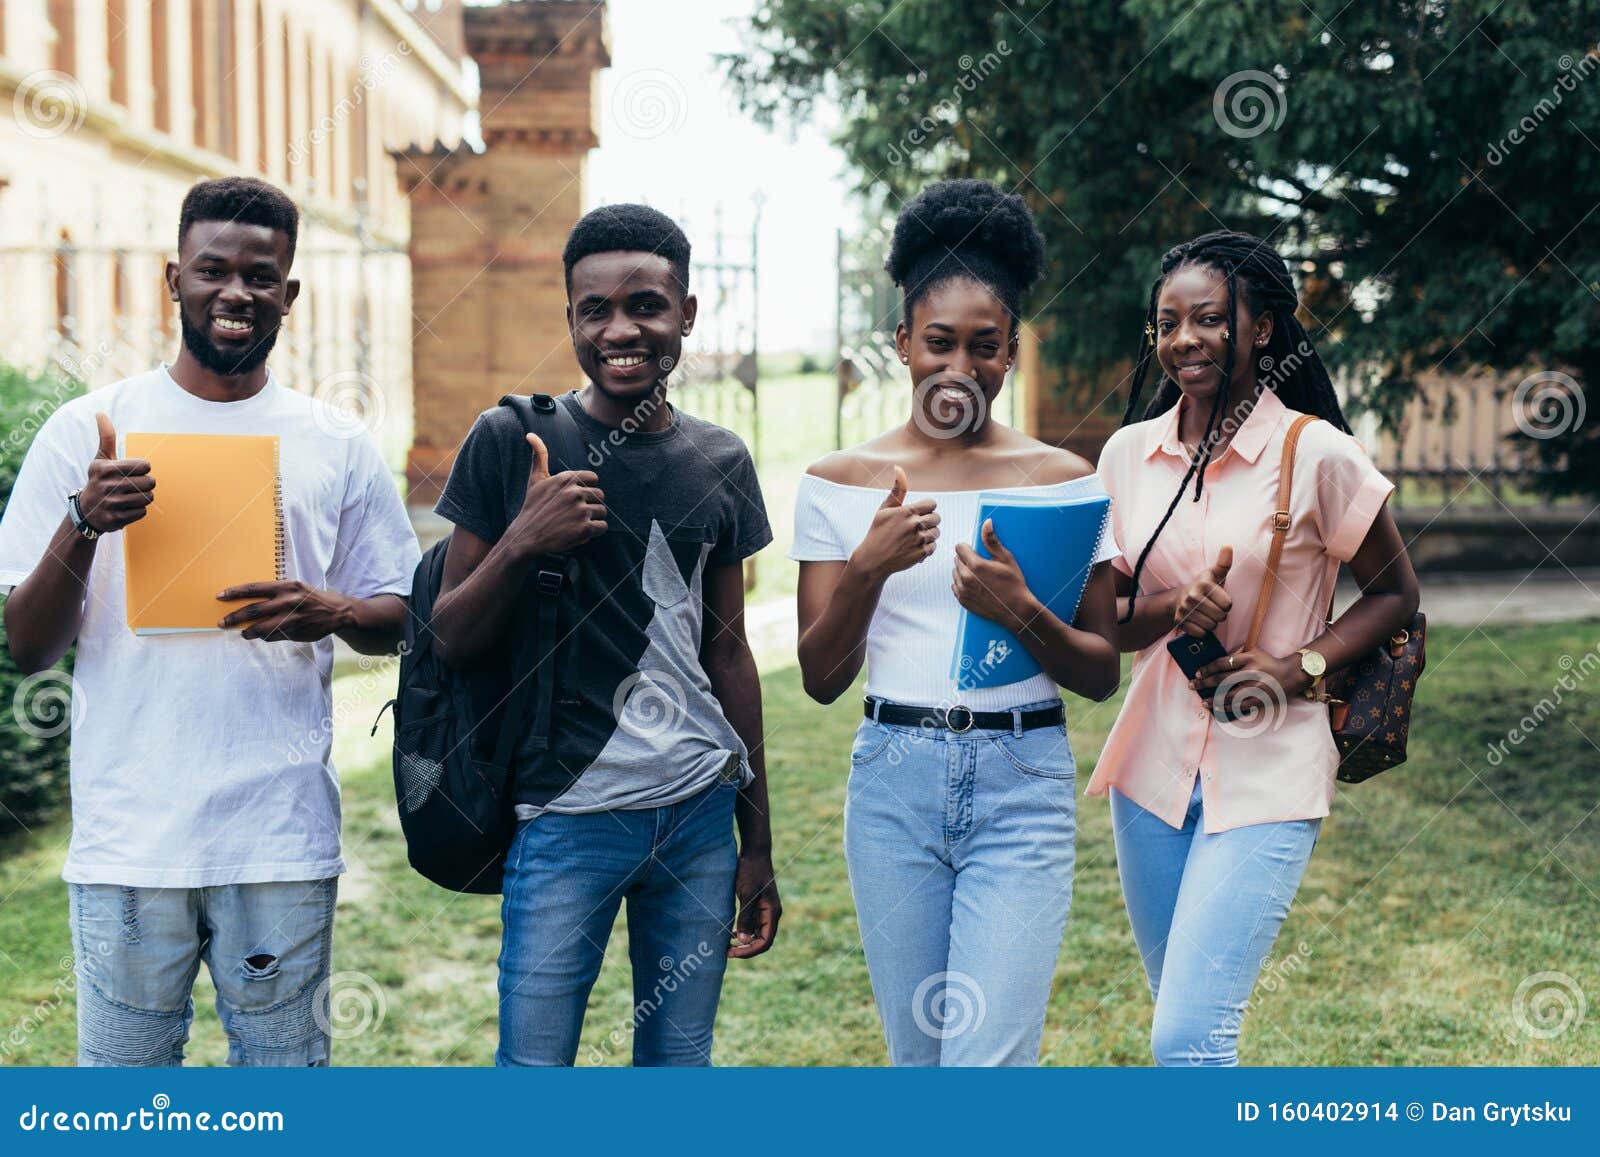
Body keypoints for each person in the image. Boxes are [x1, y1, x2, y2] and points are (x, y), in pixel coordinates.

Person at [0, 177, 420, 1066]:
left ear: (289, 294)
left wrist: (326, 610)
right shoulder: (89, 430)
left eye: (261, 276)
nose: (236, 292)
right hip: (129, 838)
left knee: (283, 1098)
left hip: (278, 832)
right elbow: (26, 645)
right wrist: (82, 523)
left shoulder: (334, 442)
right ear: (174, 281)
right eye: (213, 270)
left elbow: (403, 616)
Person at [429, 203, 780, 1067]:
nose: (623, 328)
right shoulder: (512, 440)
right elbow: (447, 635)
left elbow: (727, 651)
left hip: (697, 815)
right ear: (572, 321)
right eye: (597, 310)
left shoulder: (721, 460)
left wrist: (757, 839)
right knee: (536, 1070)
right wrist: (523, 539)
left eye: (647, 305)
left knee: (677, 1063)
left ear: (687, 314)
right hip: (565, 818)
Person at [791, 179, 1120, 1066]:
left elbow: (1099, 670)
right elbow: (821, 678)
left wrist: (1019, 611)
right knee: (919, 1064)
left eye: (986, 346)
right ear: (902, 343)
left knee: (989, 1072)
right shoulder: (840, 480)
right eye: (939, 342)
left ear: (1012, 350)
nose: (959, 368)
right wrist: (868, 568)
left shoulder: (1065, 478)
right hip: (893, 786)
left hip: (1023, 781)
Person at [1090, 230, 1421, 1066]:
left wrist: (1295, 665)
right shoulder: (1128, 455)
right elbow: (1108, 620)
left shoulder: (1318, 454)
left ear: (1263, 328)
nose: (1184, 340)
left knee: (1189, 1038)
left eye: (1209, 318)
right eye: (1167, 323)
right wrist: (1172, 605)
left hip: (1271, 769)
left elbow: (1396, 595)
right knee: (1185, 1028)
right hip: (1152, 773)